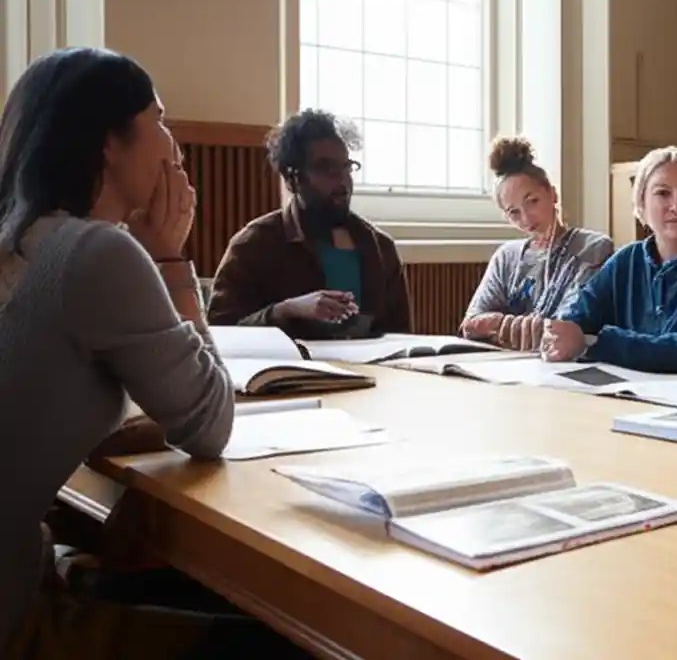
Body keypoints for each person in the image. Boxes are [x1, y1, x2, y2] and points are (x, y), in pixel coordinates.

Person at [0, 48, 302, 656]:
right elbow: (211, 423)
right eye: (159, 121)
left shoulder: (25, 240)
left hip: (30, 567)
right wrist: (170, 261)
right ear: (109, 142)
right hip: (16, 617)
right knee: (290, 640)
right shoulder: (96, 255)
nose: (176, 148)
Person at [541, 146, 677, 373]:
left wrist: (597, 343)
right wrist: (561, 333)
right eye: (663, 193)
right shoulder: (626, 260)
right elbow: (578, 317)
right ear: (641, 204)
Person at [207, 109, 411, 340]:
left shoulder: (381, 248)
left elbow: (400, 338)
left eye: (346, 167)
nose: (342, 180)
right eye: (327, 169)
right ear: (293, 179)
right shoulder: (254, 245)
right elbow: (220, 333)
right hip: (290, 374)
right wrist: (285, 311)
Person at [460, 136, 613, 350]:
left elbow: (569, 326)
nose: (526, 218)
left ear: (553, 193)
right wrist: (515, 326)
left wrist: (498, 325)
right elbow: (471, 324)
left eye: (532, 202)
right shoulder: (507, 256)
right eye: (514, 212)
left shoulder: (593, 247)